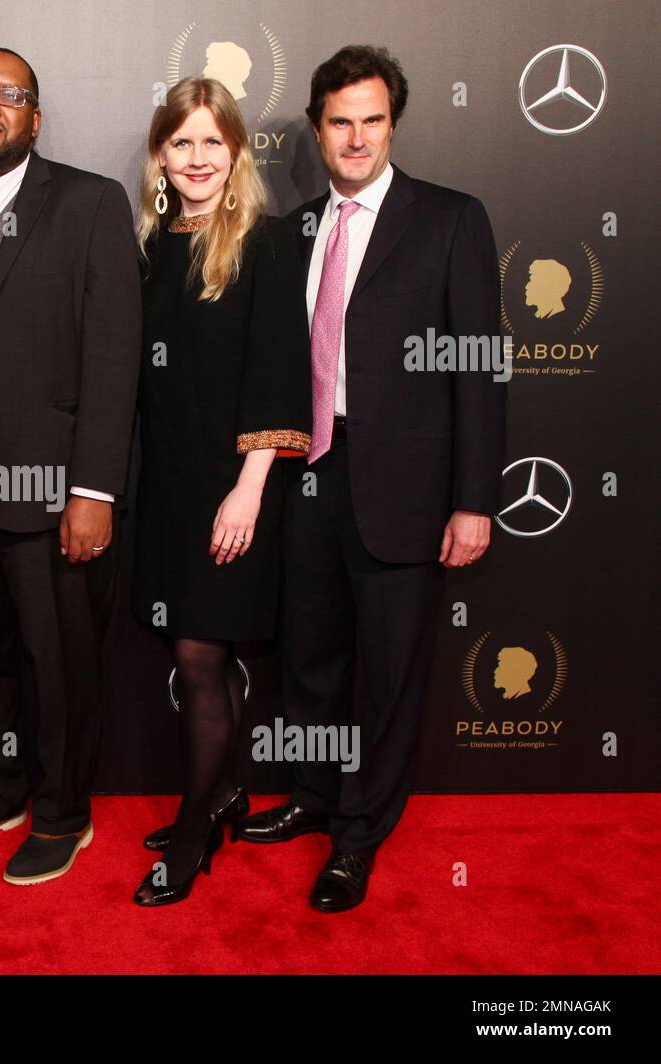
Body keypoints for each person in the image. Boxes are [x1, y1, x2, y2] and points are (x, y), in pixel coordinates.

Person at [235, 46, 506, 911]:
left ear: (394, 123)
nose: (355, 137)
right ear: (316, 130)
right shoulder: (292, 231)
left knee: (388, 673)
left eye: (372, 119)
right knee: (310, 659)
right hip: (308, 473)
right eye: (340, 121)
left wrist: (473, 500)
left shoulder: (451, 220)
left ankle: (358, 837)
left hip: (408, 485)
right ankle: (314, 799)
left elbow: (478, 369)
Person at [0, 47, 141, 885]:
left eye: (9, 95)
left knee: (62, 663)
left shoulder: (87, 204)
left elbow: (115, 356)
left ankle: (62, 812)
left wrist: (93, 489)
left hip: (53, 491)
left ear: (34, 119)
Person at [130, 77, 311, 906]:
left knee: (203, 657)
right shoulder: (148, 245)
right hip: (164, 486)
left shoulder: (266, 244)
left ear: (236, 151)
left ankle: (196, 830)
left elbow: (280, 374)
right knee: (189, 652)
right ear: (160, 153)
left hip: (235, 486)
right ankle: (224, 792)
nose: (197, 158)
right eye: (182, 142)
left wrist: (247, 489)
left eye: (213, 141)